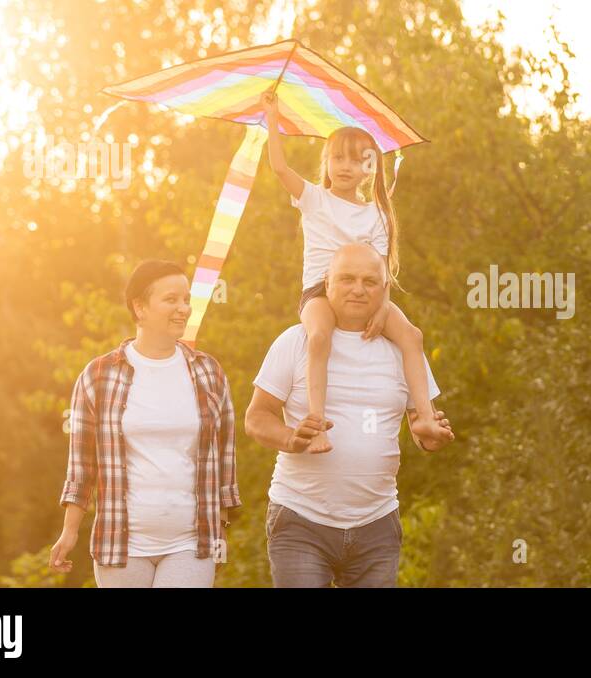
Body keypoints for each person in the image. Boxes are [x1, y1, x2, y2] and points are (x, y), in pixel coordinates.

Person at [245, 243, 454, 587]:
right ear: (326, 283)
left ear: (385, 290)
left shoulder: (402, 352)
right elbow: (256, 417)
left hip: (377, 525)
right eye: (346, 279)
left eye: (370, 281)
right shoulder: (295, 341)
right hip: (300, 521)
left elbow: (421, 426)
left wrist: (430, 439)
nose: (358, 289)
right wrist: (290, 438)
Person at [260, 91, 450, 456]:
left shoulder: (376, 213)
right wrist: (273, 118)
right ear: (326, 162)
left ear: (370, 168)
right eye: (337, 158)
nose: (345, 166)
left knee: (411, 335)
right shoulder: (314, 199)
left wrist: (382, 306)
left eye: (357, 160)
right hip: (319, 291)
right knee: (317, 338)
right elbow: (281, 169)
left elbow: (380, 270)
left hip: (366, 293)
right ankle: (317, 425)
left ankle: (424, 416)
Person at [48, 260, 241, 587]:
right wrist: (69, 531)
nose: (183, 309)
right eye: (171, 300)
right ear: (140, 307)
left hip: (190, 543)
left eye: (186, 299)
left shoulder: (208, 372)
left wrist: (220, 529)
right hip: (121, 545)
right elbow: (82, 466)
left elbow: (224, 459)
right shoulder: (98, 376)